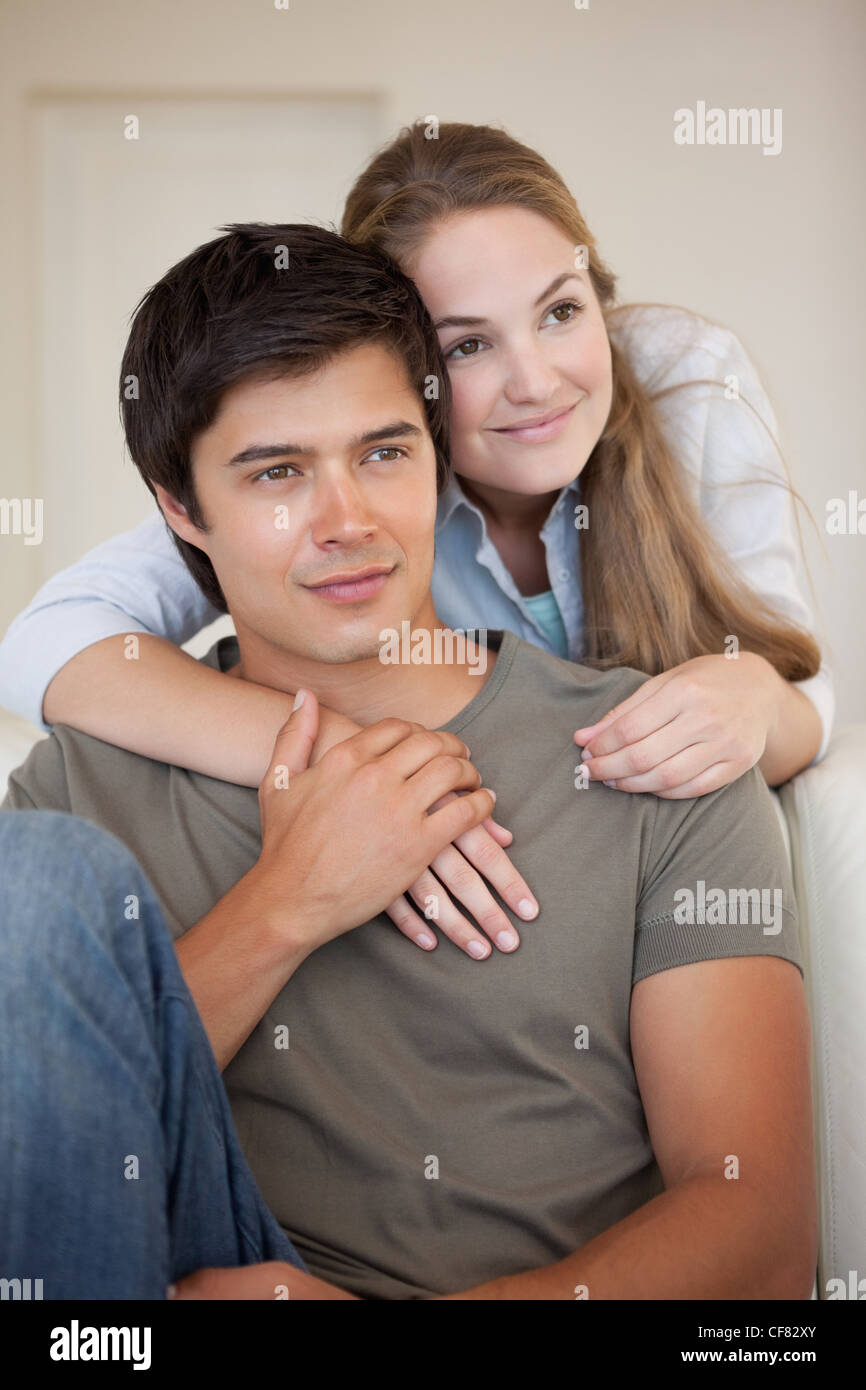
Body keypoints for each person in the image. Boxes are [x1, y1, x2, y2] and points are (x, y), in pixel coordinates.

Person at [1, 222, 817, 1300]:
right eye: (276, 473)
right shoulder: (78, 788)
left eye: (383, 453)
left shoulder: (651, 757)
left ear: (438, 464)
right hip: (176, 1275)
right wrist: (290, 899)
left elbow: (756, 1234)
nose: (346, 521)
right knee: (37, 876)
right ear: (180, 511)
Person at [0, 124, 832, 853]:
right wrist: (321, 748)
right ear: (404, 374)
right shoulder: (358, 486)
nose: (536, 383)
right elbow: (48, 643)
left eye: (560, 313)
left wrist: (756, 694)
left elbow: (795, 690)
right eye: (468, 347)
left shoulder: (685, 377)